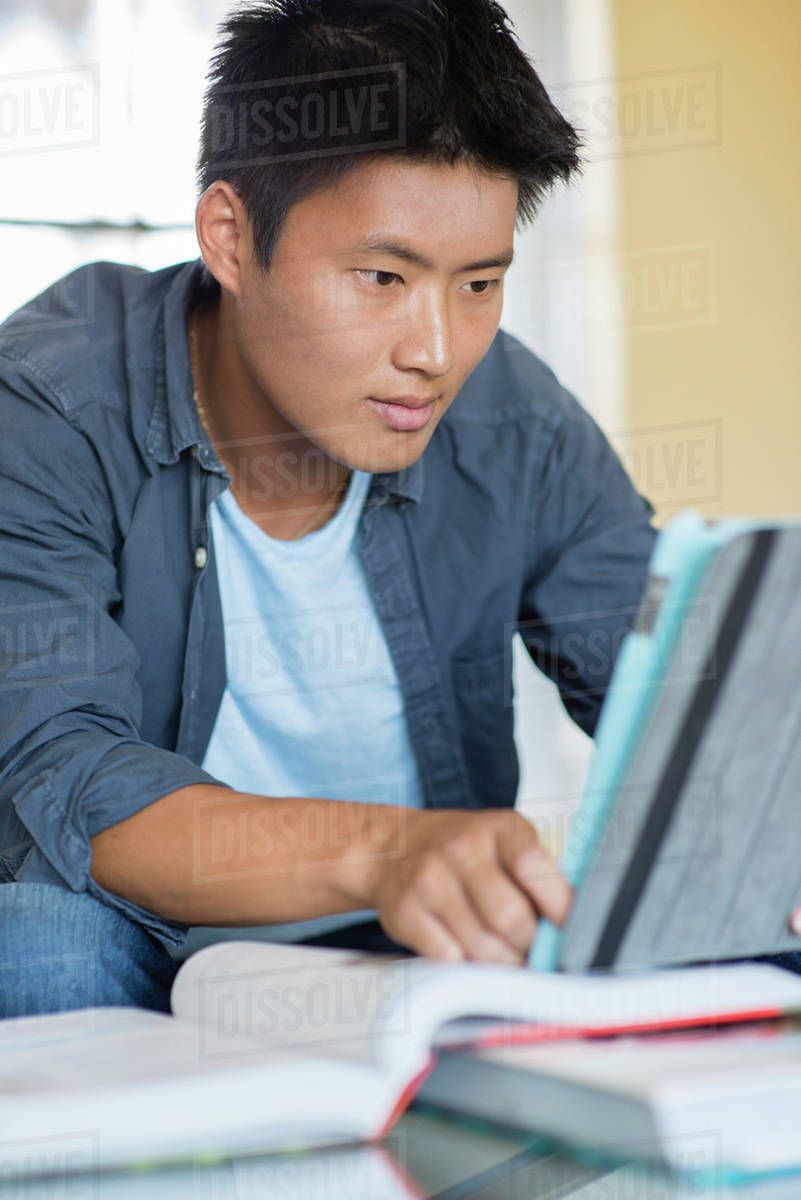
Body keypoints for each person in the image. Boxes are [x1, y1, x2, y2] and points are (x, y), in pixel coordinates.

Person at [0, 0, 662, 1019]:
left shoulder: (513, 417)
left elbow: (663, 683)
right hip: (138, 930)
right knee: (36, 943)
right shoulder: (49, 402)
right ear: (229, 235)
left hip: (409, 943)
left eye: (480, 283)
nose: (436, 351)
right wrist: (390, 850)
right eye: (381, 277)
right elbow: (68, 780)